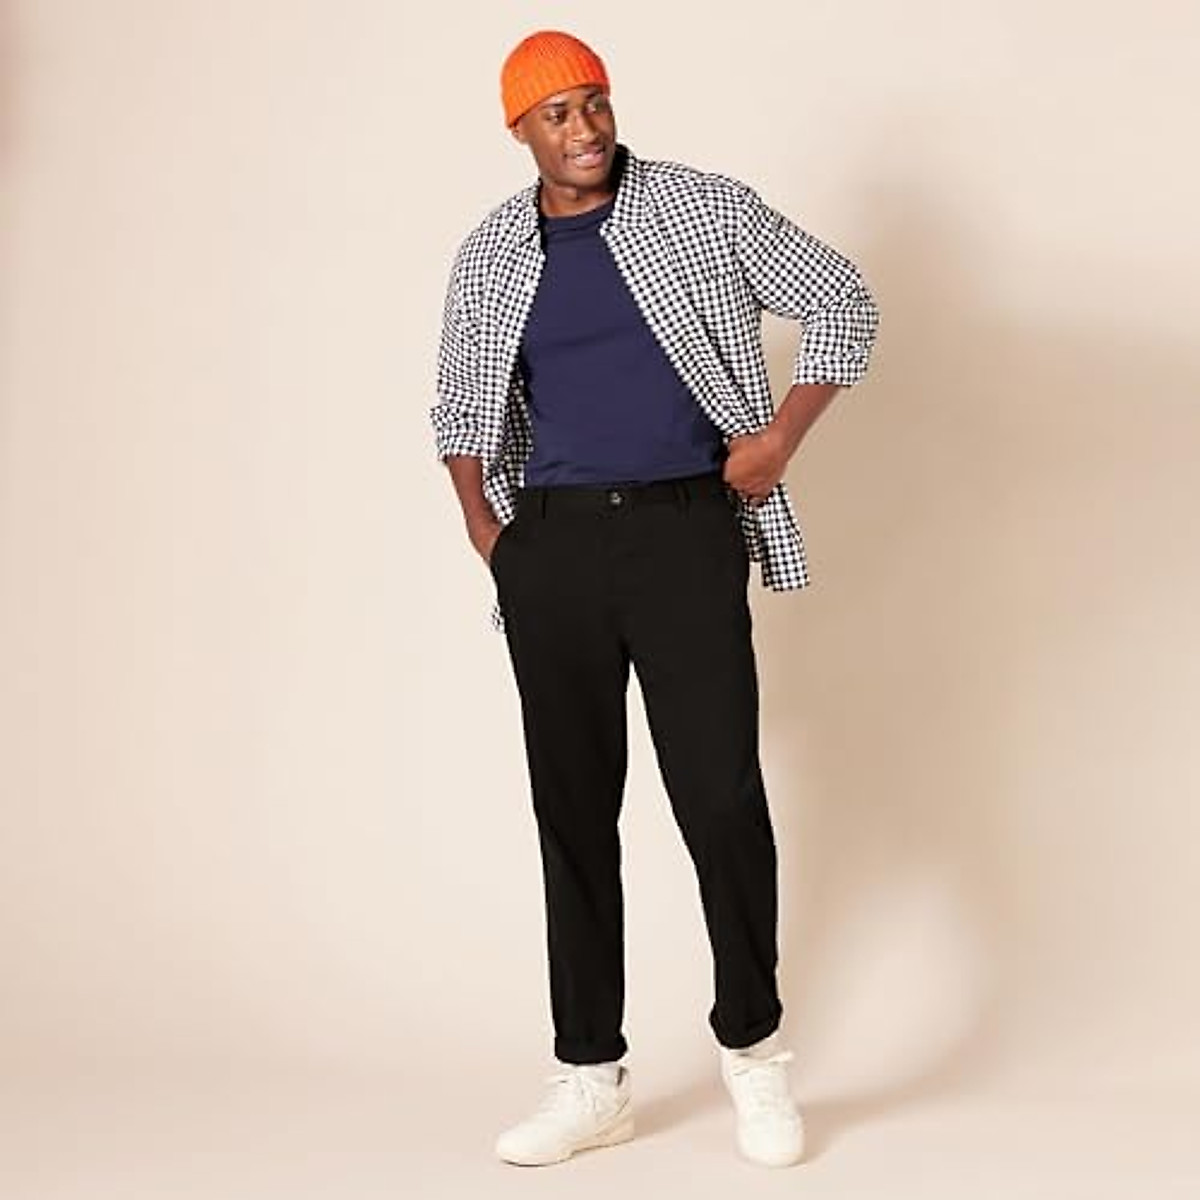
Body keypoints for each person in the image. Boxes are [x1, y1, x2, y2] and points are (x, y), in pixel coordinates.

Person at [430, 29, 879, 1168]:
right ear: (519, 131)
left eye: (594, 103)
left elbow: (843, 299)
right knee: (574, 812)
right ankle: (591, 1077)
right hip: (554, 548)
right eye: (557, 114)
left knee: (720, 799)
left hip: (685, 530)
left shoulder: (702, 208)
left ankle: (756, 1056)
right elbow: (458, 403)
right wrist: (491, 535)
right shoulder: (491, 253)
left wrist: (779, 439)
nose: (584, 129)